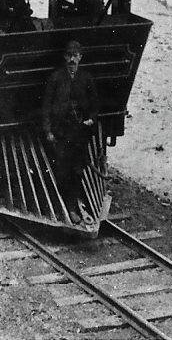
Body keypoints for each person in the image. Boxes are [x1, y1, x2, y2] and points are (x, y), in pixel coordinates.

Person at [41, 40, 100, 218]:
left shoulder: (86, 78)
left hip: (79, 132)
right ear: (64, 57)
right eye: (69, 56)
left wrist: (91, 119)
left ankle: (72, 207)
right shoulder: (56, 78)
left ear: (81, 57)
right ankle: (62, 207)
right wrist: (48, 131)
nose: (72, 59)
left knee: (77, 169)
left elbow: (95, 103)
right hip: (61, 131)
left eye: (75, 56)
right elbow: (46, 106)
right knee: (61, 169)